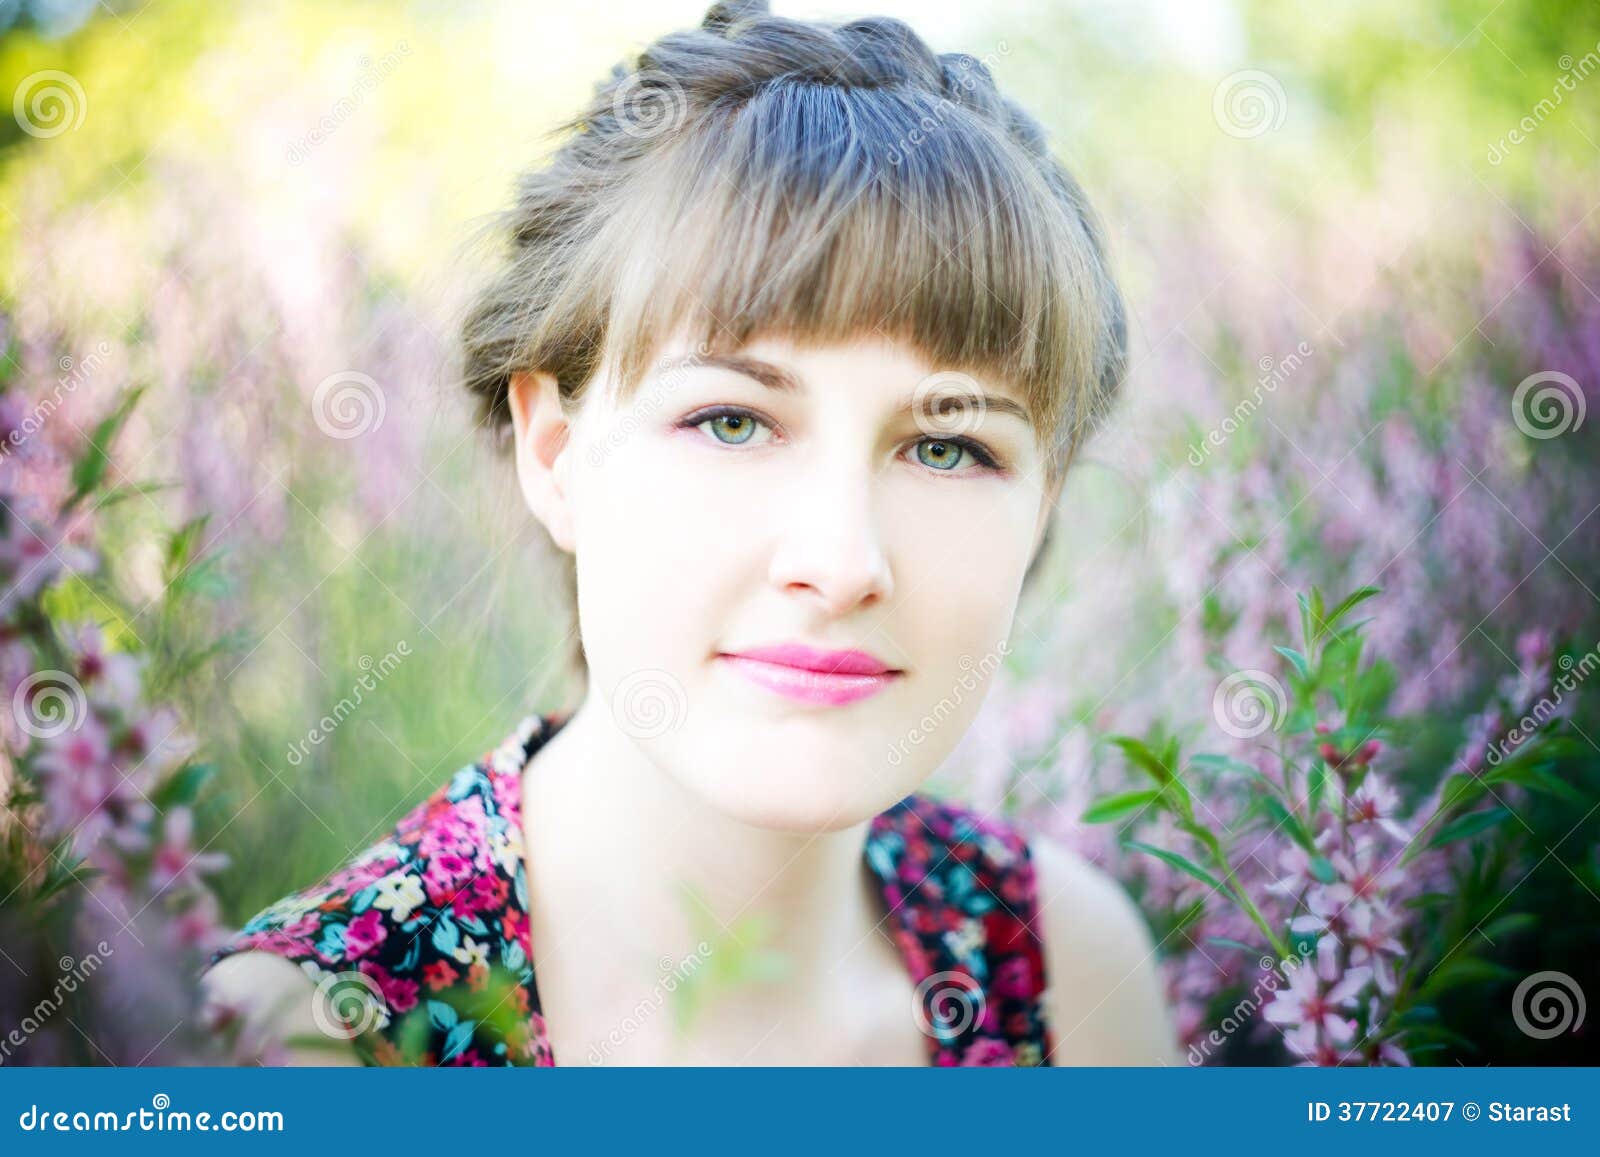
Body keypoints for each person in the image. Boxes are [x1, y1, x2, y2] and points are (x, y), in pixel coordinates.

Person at [200, 0, 1177, 1067]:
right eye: (731, 421)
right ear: (556, 451)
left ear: (1044, 505)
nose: (840, 562)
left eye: (947, 447)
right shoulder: (305, 1046)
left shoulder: (1067, 968)